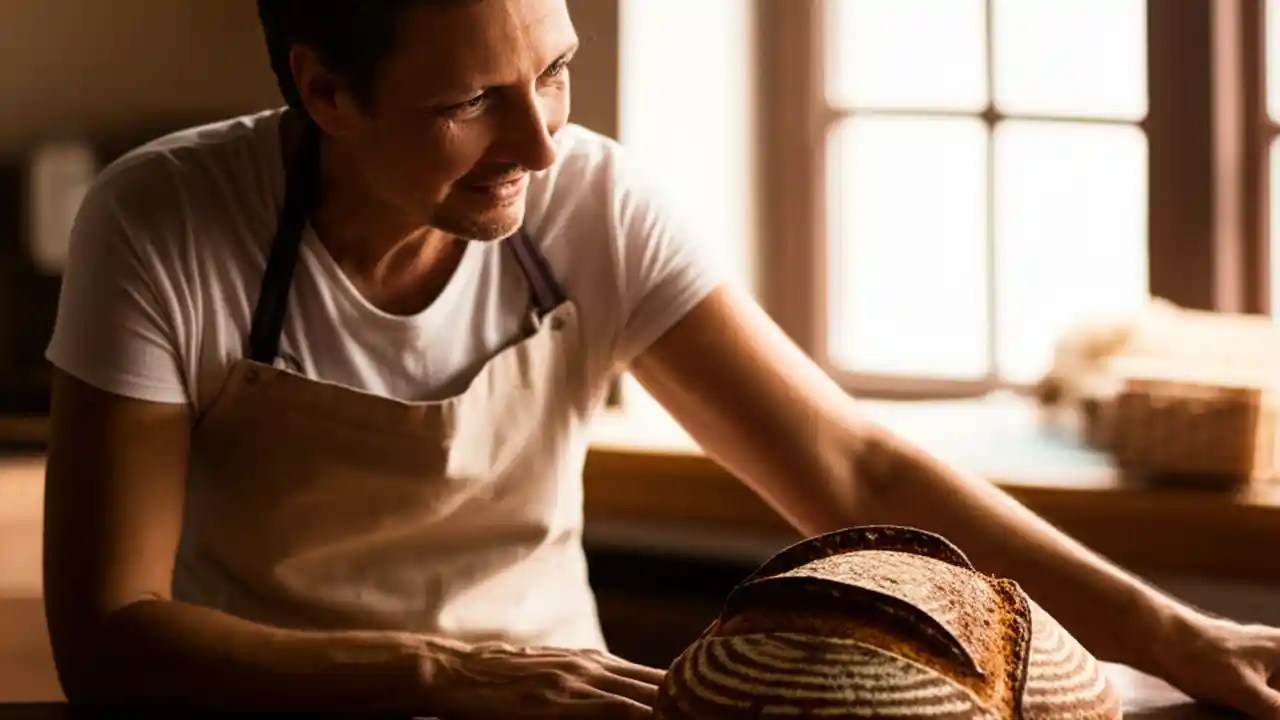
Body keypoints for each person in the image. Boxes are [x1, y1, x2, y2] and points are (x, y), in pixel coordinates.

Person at [41, 0, 1280, 717]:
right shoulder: (161, 222)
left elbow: (852, 472)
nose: (537, 140)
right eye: (469, 103)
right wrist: (466, 674)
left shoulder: (591, 202)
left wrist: (1182, 640)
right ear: (323, 92)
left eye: (557, 71)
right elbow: (111, 642)